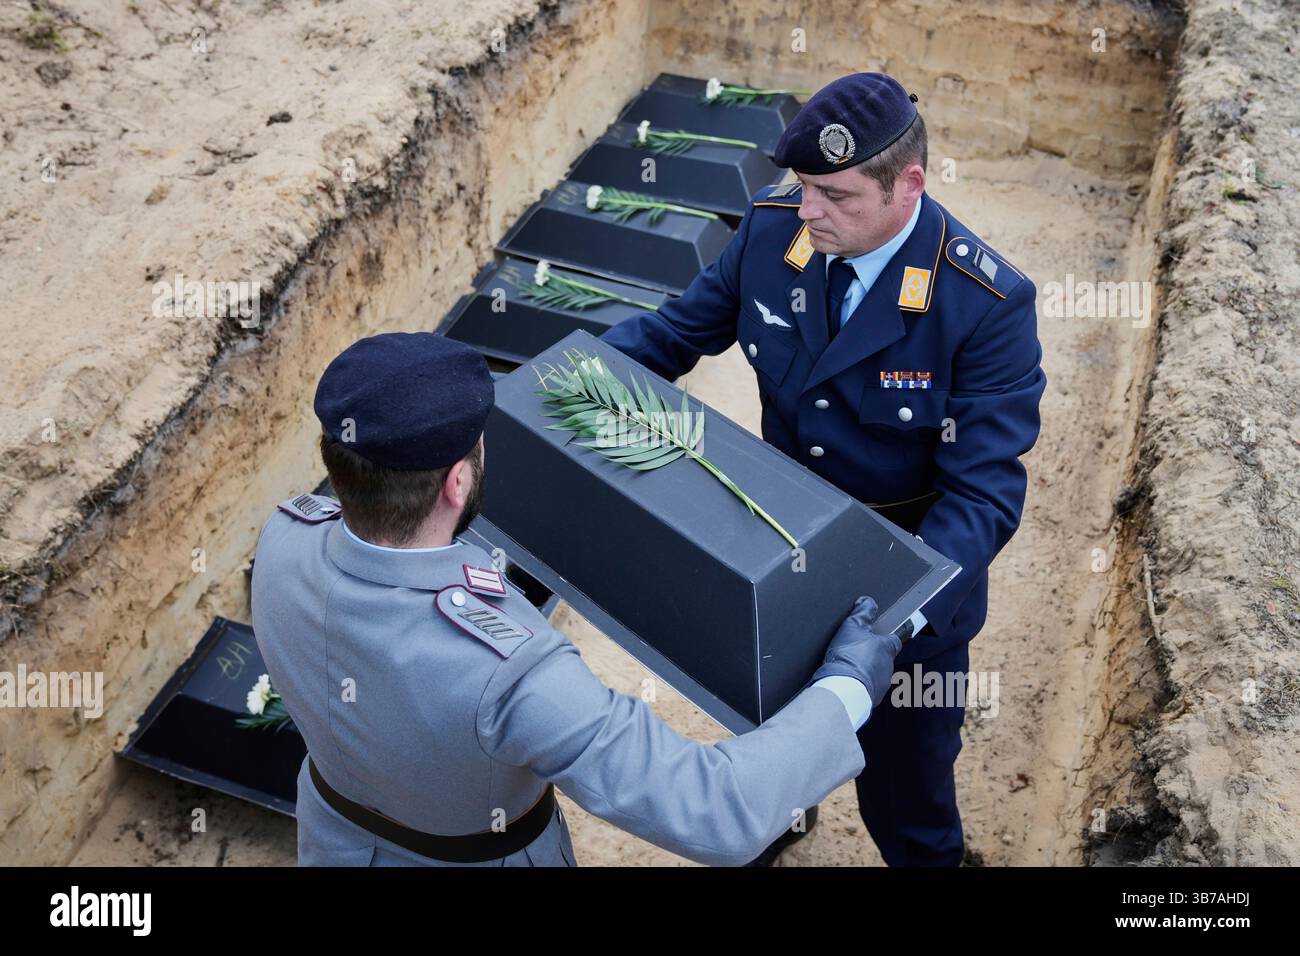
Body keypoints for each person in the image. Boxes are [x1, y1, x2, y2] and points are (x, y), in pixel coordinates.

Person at [601, 72, 1047, 865]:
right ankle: (776, 827)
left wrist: (894, 623)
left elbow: (982, 495)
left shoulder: (983, 302)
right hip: (779, 556)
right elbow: (673, 335)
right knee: (771, 745)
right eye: (804, 187)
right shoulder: (777, 232)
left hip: (908, 583)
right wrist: (556, 382)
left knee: (907, 791)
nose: (809, 210)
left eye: (836, 195)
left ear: (908, 184)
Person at [250, 331, 911, 866]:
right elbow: (718, 809)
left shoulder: (284, 536)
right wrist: (846, 687)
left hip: (335, 835)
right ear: (457, 483)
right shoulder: (512, 670)